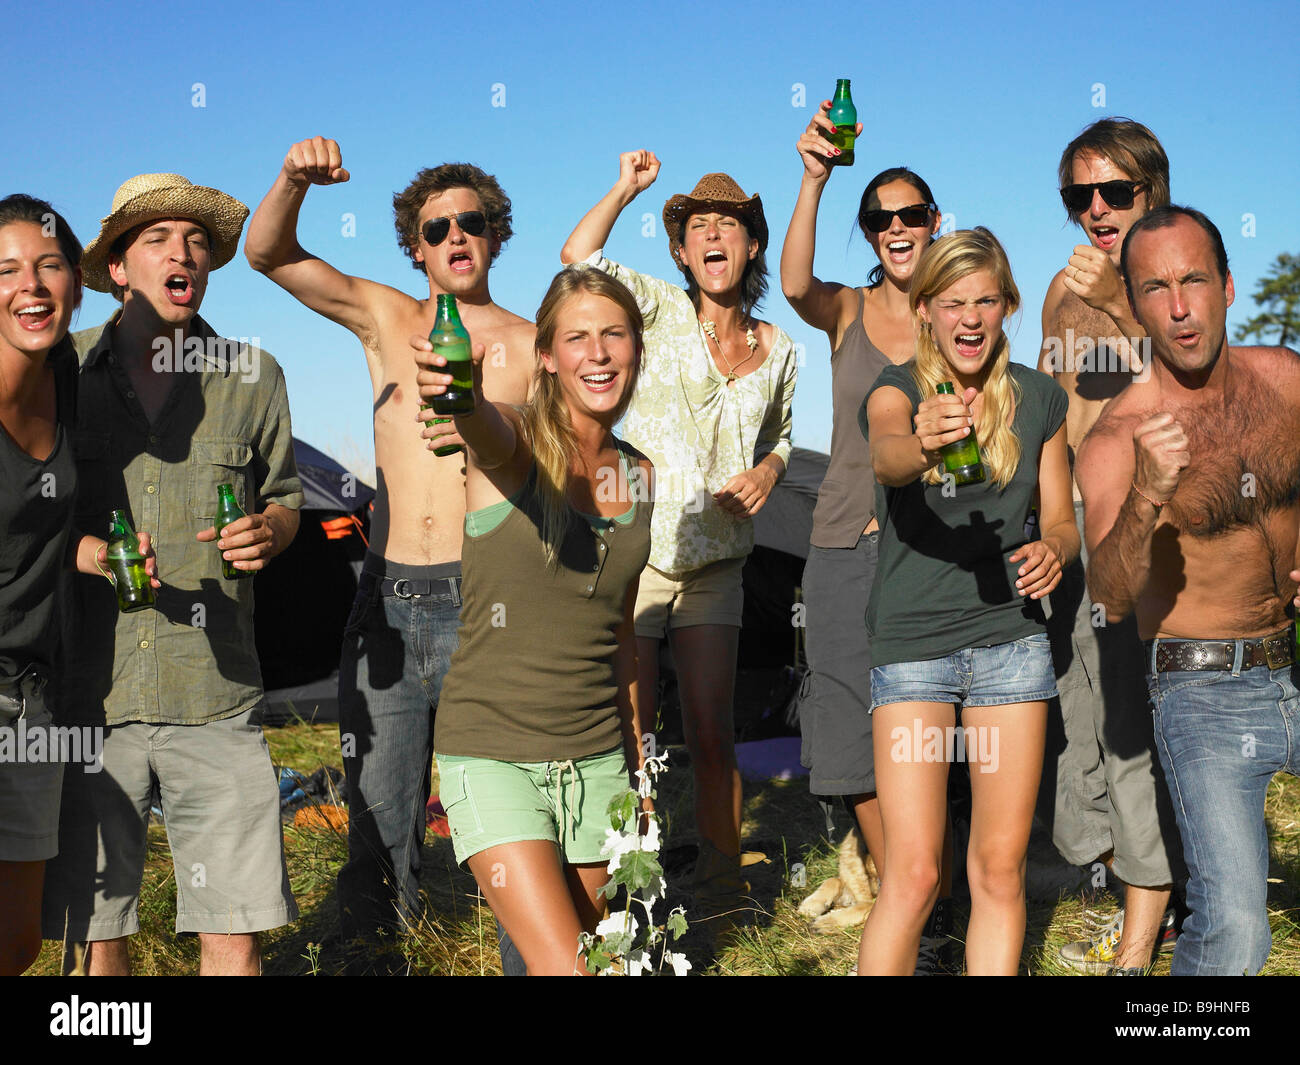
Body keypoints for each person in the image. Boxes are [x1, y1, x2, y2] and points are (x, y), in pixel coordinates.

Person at [245, 138, 535, 968]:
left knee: (512, 805)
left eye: (471, 221)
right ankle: (373, 955)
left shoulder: (527, 342)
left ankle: (535, 952)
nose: (454, 235)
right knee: (377, 810)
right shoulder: (387, 317)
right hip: (390, 601)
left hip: (489, 598)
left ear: (493, 235)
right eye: (436, 225)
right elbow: (268, 252)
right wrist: (294, 176)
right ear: (416, 243)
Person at [41, 174, 303, 976]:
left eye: (195, 240)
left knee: (235, 930)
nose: (181, 252)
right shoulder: (58, 370)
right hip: (91, 690)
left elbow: (288, 496)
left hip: (214, 690)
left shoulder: (251, 373)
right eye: (155, 239)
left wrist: (272, 530)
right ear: (116, 269)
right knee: (98, 932)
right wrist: (84, 549)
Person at [560, 152, 797, 922]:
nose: (715, 237)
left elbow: (785, 438)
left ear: (752, 245)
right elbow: (578, 256)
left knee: (710, 732)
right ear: (682, 251)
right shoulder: (658, 308)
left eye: (729, 225)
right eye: (700, 227)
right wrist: (627, 187)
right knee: (632, 734)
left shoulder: (781, 347)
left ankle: (723, 888)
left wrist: (769, 469)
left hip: (719, 565)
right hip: (640, 556)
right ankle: (635, 890)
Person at [1077, 205, 1300, 976]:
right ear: (1133, 306)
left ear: (1228, 286)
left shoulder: (1287, 381)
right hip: (1204, 692)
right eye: (1156, 288)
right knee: (1237, 928)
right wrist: (1146, 496)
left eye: (1194, 280)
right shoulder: (1117, 435)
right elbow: (1108, 594)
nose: (1179, 307)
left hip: (1294, 662)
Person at [415, 265, 653, 975]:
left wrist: (640, 768)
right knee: (566, 968)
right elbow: (480, 425)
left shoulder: (640, 473)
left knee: (610, 961)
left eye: (615, 334)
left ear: (638, 348)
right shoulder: (512, 440)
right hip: (493, 755)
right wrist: (458, 395)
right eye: (577, 337)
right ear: (546, 355)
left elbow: (622, 633)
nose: (599, 353)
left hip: (599, 760)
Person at [860, 227, 1076, 974]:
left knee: (997, 869)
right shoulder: (899, 389)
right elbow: (886, 457)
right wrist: (923, 444)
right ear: (925, 309)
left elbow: (1061, 520)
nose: (971, 317)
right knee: (916, 873)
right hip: (913, 649)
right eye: (953, 301)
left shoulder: (1042, 397)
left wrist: (1055, 550)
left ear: (1009, 305)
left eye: (986, 299)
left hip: (1010, 646)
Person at [780, 103, 960, 970]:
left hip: (931, 544)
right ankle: (910, 905)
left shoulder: (958, 314)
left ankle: (930, 898)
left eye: (910, 215)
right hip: (845, 543)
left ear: (935, 222)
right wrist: (815, 178)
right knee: (851, 730)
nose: (895, 228)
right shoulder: (845, 308)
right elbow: (790, 281)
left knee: (927, 728)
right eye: (879, 218)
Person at [1036, 118, 1183, 973]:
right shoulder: (1063, 291)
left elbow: (1196, 374)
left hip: (1141, 533)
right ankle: (1122, 874)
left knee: (1132, 727)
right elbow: (1057, 415)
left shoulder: (1176, 274)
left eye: (1114, 192)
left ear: (1151, 191)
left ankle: (1141, 938)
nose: (1095, 209)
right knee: (1073, 724)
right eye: (1078, 195)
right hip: (1072, 538)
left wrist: (1128, 298)